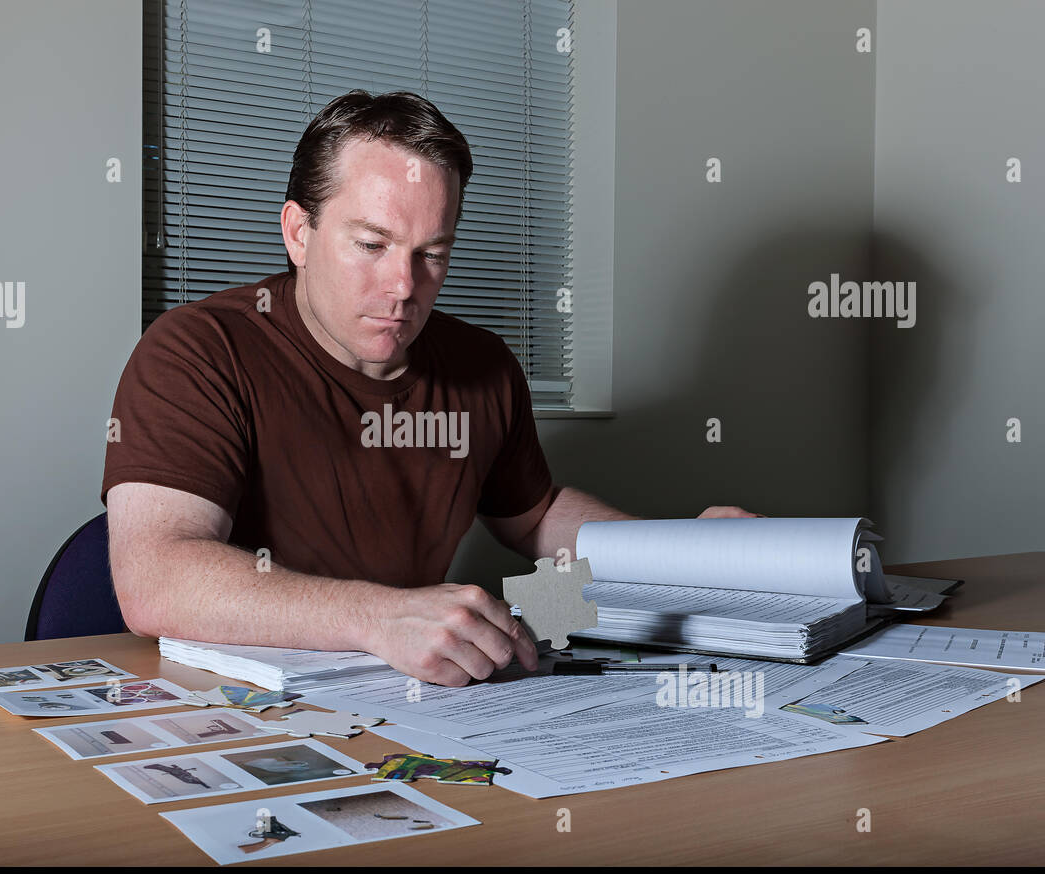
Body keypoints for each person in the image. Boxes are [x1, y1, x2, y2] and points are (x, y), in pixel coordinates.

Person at [101, 89, 757, 687]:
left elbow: (537, 517)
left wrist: (675, 552)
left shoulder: (482, 365)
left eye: (433, 253)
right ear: (299, 233)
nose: (404, 287)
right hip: (225, 705)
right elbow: (154, 579)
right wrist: (379, 617)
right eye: (371, 244)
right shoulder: (197, 351)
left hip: (412, 701)